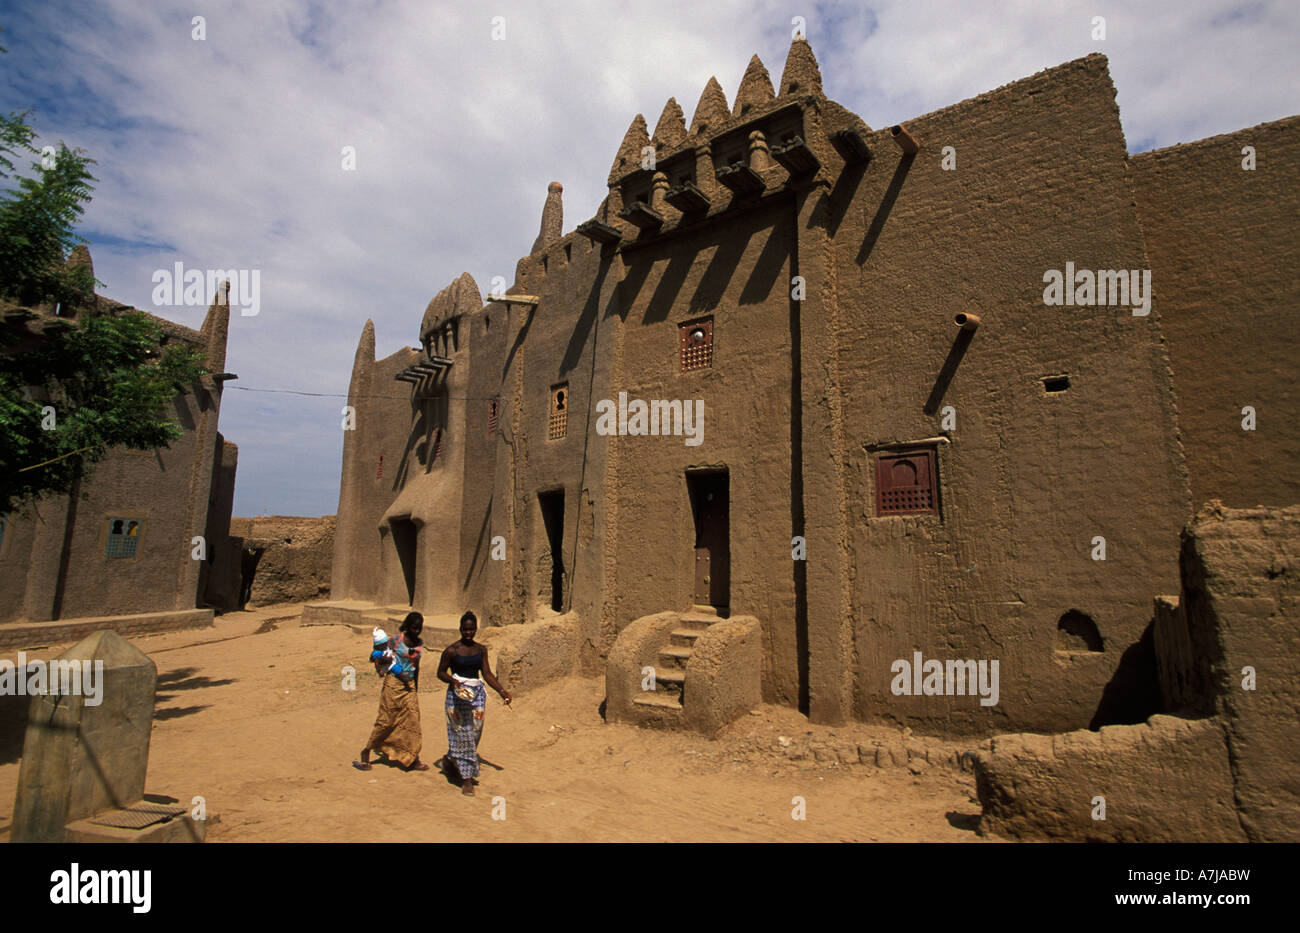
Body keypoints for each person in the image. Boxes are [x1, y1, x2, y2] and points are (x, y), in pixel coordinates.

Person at [436, 611, 511, 796]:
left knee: (475, 731)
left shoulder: (480, 650)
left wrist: (502, 691)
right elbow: (440, 672)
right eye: (465, 629)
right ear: (460, 629)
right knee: (462, 733)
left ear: (476, 629)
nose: (468, 633)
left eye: (471, 629)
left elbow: (487, 674)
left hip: (476, 695)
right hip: (457, 696)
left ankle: (449, 759)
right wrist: (452, 681)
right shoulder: (452, 650)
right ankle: (467, 779)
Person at [353, 612, 428, 772]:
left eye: (419, 628)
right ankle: (366, 751)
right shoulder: (395, 640)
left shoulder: (420, 644)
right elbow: (376, 656)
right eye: (414, 627)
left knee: (413, 721)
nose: (416, 631)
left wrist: (415, 687)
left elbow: (417, 666)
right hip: (393, 684)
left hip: (409, 686)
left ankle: (412, 758)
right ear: (407, 626)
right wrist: (381, 664)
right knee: (386, 720)